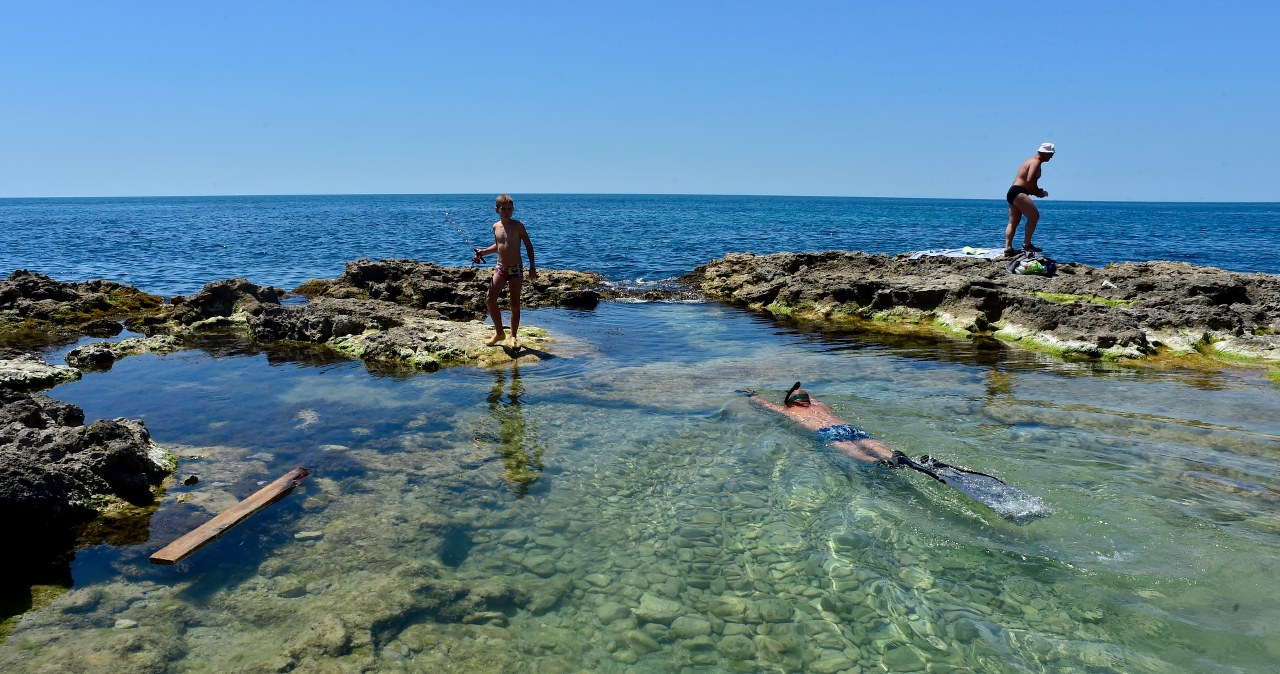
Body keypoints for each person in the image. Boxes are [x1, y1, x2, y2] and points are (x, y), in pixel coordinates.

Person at [749, 383, 898, 464]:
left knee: (853, 452)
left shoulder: (789, 411)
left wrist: (751, 396)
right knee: (872, 444)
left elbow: (764, 404)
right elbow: (809, 397)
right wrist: (795, 390)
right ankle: (897, 458)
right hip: (848, 427)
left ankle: (878, 463)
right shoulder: (820, 406)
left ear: (790, 402)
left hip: (828, 432)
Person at [472, 194, 537, 347]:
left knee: (514, 303)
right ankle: (499, 332)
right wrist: (482, 252)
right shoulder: (496, 227)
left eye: (509, 209)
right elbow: (499, 246)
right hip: (500, 268)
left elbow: (528, 246)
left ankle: (513, 336)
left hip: (516, 269)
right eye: (503, 209)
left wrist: (532, 267)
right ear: (497, 210)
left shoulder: (518, 226)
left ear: (513, 209)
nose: (507, 212)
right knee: (490, 299)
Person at [1004, 142, 1055, 257]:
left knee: (1013, 221)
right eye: (1050, 154)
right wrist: (1038, 192)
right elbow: (1030, 179)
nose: (1051, 157)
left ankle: (1008, 248)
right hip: (1018, 192)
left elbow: (1028, 182)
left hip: (1013, 191)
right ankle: (1027, 245)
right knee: (1034, 216)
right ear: (1043, 152)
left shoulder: (1031, 161)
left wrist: (1036, 191)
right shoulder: (1035, 162)